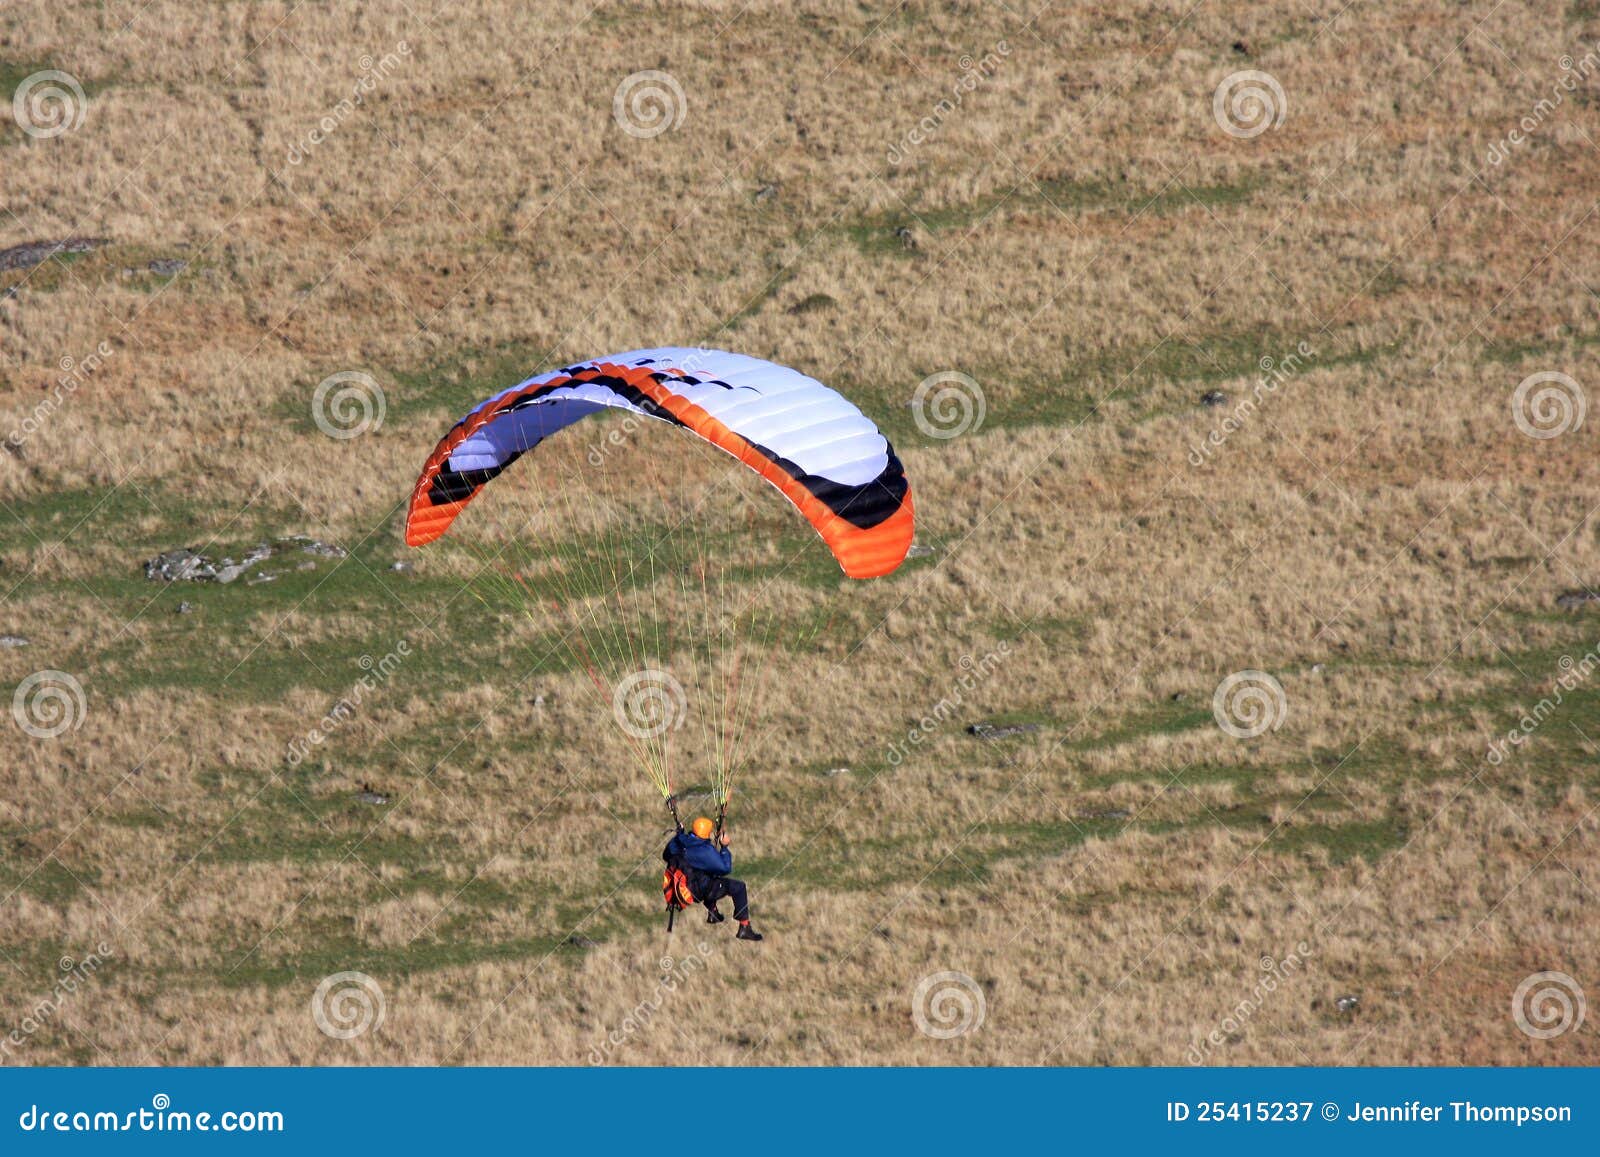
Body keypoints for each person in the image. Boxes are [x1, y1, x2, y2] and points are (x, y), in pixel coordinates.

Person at [664, 816, 762, 941]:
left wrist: (680, 834)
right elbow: (725, 868)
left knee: (708, 874)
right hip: (700, 890)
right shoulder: (705, 850)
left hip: (684, 889)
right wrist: (724, 847)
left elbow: (666, 855)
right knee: (738, 887)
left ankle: (713, 914)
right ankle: (744, 927)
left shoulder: (680, 841)